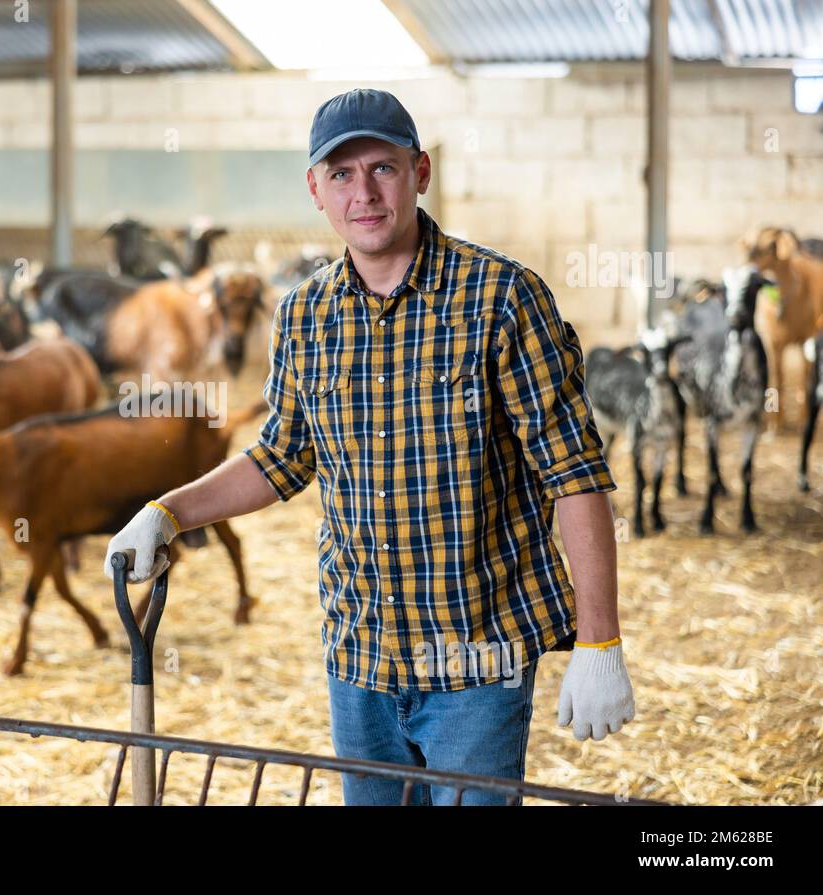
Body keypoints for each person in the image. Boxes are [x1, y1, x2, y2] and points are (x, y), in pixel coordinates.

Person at [104, 88, 634, 805]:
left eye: (382, 168)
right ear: (315, 189)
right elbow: (281, 457)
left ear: (419, 171)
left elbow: (573, 471)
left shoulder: (503, 298)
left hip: (477, 660)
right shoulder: (304, 314)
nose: (365, 192)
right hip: (360, 656)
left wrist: (600, 639)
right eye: (343, 174)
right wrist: (168, 511)